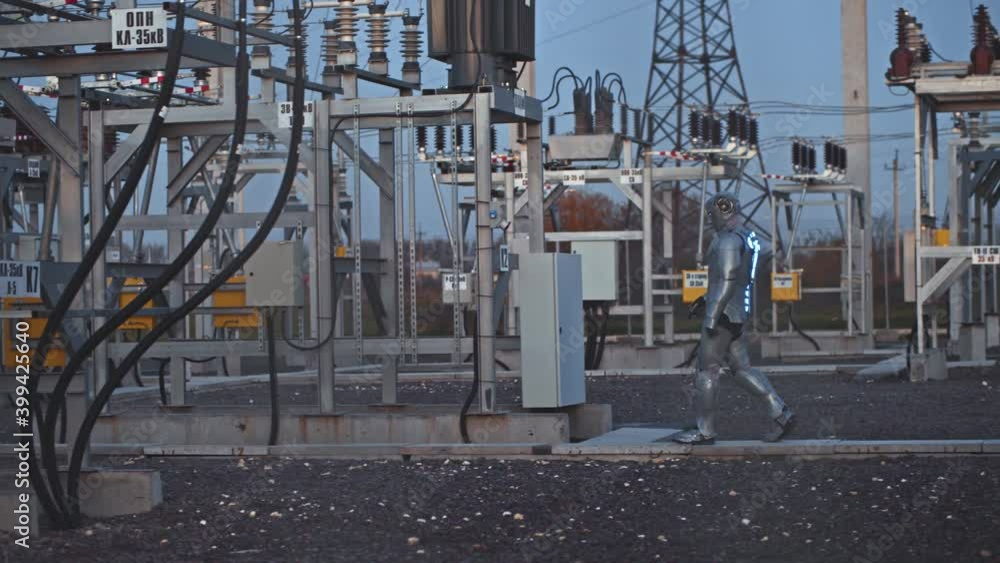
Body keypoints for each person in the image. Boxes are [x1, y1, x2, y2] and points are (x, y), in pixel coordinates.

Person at [672, 192, 795, 444]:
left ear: (721, 212)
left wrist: (711, 315)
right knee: (741, 369)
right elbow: (732, 280)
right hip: (737, 312)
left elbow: (727, 279)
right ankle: (779, 412)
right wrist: (706, 299)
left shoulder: (727, 240)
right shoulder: (746, 236)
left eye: (711, 214)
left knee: (706, 371)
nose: (710, 219)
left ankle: (705, 430)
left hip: (723, 315)